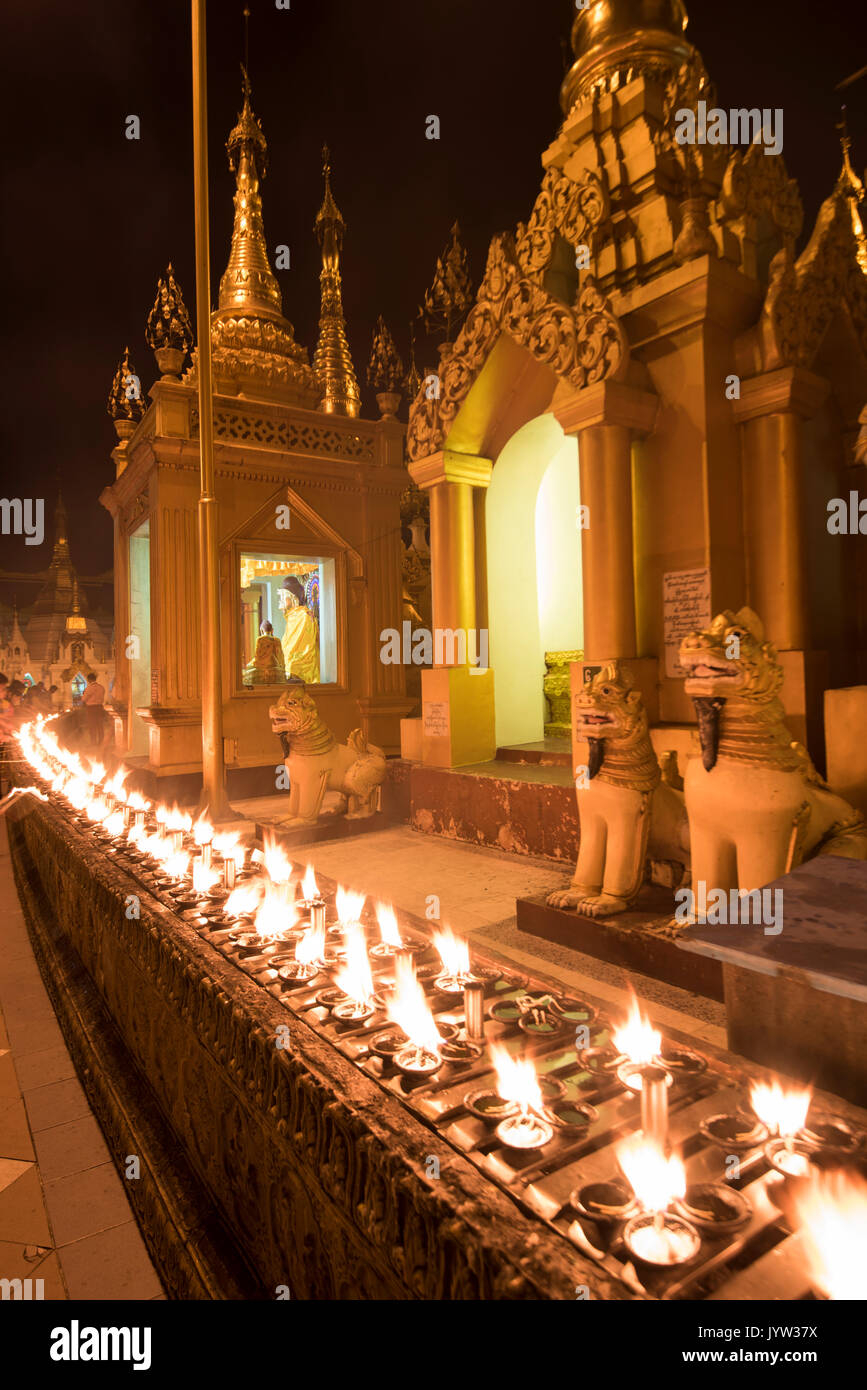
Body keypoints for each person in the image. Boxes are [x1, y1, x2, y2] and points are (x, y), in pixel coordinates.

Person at [278, 576, 320, 683]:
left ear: (293, 597)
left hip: (302, 668)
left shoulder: (304, 616)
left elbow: (305, 649)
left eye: (283, 595)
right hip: (288, 665)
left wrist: (290, 666)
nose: (281, 599)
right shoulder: (292, 617)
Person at [244, 620, 285, 685]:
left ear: (261, 630)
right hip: (274, 664)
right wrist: (282, 666)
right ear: (272, 630)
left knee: (247, 668)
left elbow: (257, 656)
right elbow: (280, 656)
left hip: (262, 664)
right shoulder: (277, 640)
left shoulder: (260, 639)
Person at [80, 672, 106, 747]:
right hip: (99, 707)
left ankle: (93, 743)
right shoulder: (101, 687)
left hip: (91, 709)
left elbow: (83, 699)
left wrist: (83, 695)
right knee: (100, 725)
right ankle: (101, 742)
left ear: (89, 679)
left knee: (92, 726)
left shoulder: (89, 688)